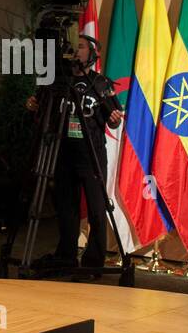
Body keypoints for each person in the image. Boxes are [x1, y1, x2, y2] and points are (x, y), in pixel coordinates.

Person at [26, 34, 123, 273]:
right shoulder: (58, 81)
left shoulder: (101, 84)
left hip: (91, 155)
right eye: (74, 46)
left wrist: (113, 119)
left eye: (81, 46)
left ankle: (93, 263)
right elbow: (38, 108)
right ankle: (66, 257)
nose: (75, 50)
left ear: (92, 54)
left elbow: (113, 120)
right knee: (65, 207)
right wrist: (32, 105)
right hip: (62, 153)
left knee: (96, 209)